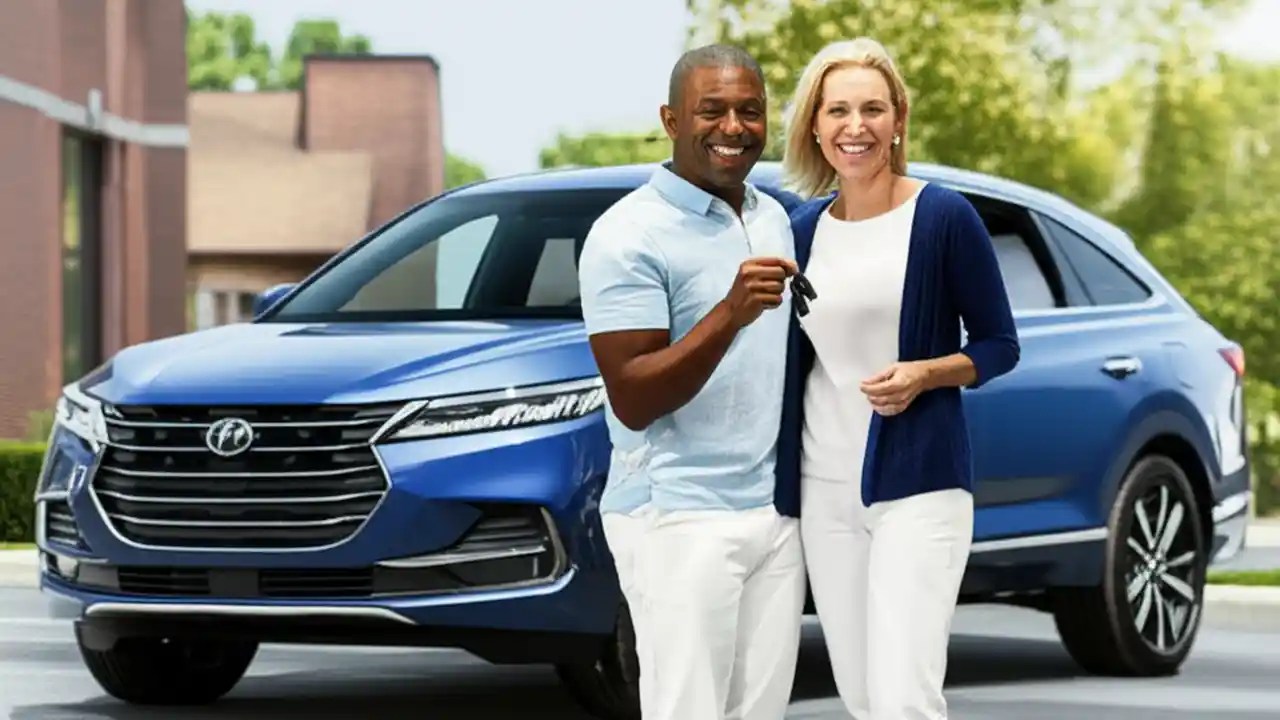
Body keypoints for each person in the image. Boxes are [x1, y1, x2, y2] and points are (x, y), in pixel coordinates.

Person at [772, 38, 1021, 719]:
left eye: (873, 109)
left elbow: (1000, 345)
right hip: (824, 490)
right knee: (858, 694)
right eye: (839, 110)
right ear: (816, 127)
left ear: (898, 120)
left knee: (903, 696)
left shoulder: (942, 216)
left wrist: (925, 373)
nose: (857, 127)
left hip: (921, 487)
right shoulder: (799, 231)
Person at [577, 44, 807, 720]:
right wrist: (731, 313)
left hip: (770, 509)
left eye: (750, 111)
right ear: (671, 119)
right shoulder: (627, 235)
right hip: (676, 513)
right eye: (712, 111)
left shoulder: (770, 216)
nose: (733, 128)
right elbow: (635, 395)